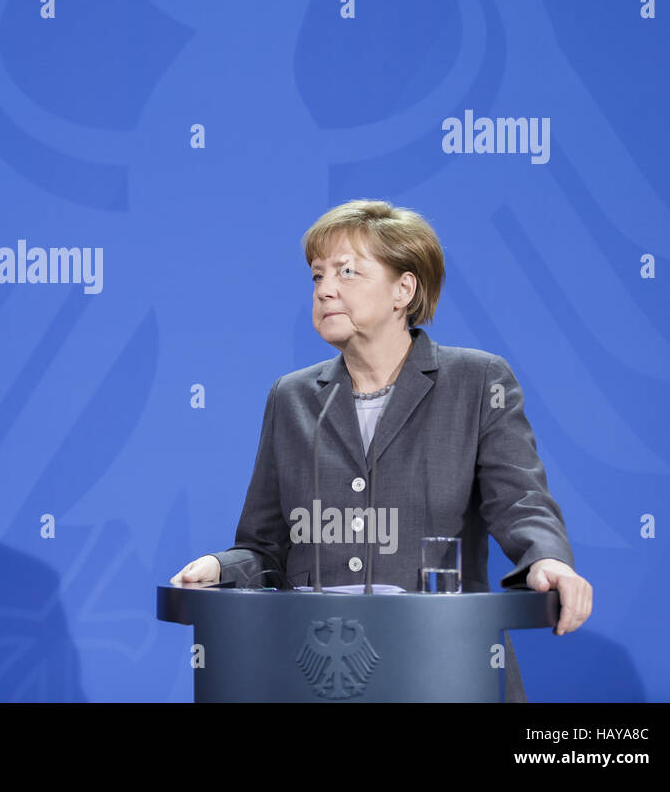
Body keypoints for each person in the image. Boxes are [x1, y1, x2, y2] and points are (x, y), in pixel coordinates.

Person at [171, 200, 591, 698]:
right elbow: (264, 546)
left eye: (347, 272)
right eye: (317, 275)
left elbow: (520, 502)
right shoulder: (292, 398)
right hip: (315, 676)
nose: (325, 289)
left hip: (442, 668)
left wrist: (548, 558)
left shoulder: (476, 382)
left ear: (404, 289)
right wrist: (223, 568)